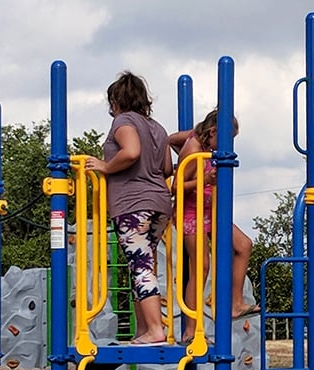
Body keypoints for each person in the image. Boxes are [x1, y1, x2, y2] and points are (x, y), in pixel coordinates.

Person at [84, 71, 173, 346]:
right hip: (160, 203)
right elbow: (167, 168)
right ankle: (145, 330)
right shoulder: (157, 127)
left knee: (140, 265)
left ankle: (155, 330)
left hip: (133, 204)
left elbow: (131, 151)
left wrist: (106, 166)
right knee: (144, 264)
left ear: (116, 101)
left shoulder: (123, 121)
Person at [169, 109, 259, 343]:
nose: (225, 147)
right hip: (191, 213)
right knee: (201, 267)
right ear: (213, 131)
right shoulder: (194, 149)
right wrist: (204, 178)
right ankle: (191, 329)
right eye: (226, 140)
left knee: (243, 245)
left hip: (210, 209)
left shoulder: (198, 139)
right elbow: (176, 187)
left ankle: (235, 304)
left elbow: (171, 139)